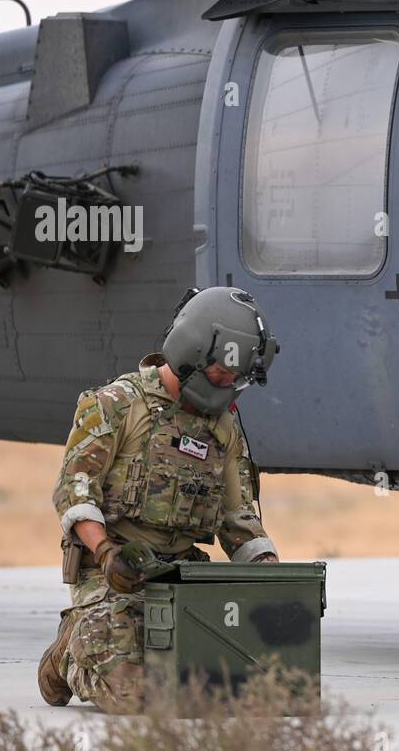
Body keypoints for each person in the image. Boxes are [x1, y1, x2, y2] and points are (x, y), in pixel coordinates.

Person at [37, 286, 281, 713]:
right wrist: (108, 554)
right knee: (136, 698)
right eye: (226, 371)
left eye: (240, 376)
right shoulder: (117, 405)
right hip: (110, 573)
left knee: (228, 687)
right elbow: (74, 489)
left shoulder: (223, 429)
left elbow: (237, 518)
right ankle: (68, 651)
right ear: (194, 349)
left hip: (181, 577)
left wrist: (273, 578)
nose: (231, 384)